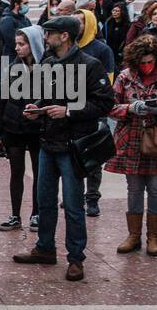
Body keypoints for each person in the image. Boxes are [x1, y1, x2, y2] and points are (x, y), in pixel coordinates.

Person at [12, 15, 114, 281]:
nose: (45, 38)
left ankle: (76, 258)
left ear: (65, 36)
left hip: (73, 146)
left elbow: (104, 103)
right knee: (44, 201)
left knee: (72, 204)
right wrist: (38, 108)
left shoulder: (90, 65)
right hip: (48, 142)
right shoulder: (48, 62)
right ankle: (45, 247)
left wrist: (69, 111)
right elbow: (45, 96)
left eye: (49, 33)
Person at [106, 35, 157, 257]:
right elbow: (110, 107)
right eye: (142, 62)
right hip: (130, 138)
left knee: (155, 188)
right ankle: (133, 235)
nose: (146, 66)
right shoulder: (125, 77)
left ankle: (153, 237)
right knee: (133, 189)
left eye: (150, 61)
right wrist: (130, 108)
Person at [0, 25, 45, 233]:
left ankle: (36, 213)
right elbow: (2, 100)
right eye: (16, 44)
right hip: (13, 127)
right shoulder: (12, 68)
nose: (17, 48)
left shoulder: (48, 68)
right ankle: (15, 214)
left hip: (37, 129)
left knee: (39, 172)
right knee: (17, 172)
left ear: (33, 45)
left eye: (22, 44)